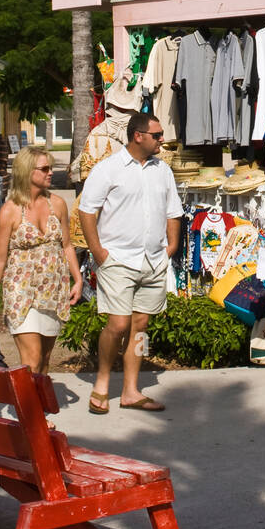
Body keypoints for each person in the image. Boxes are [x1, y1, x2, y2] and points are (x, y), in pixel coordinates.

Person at [78, 111, 182, 414]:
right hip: (118, 259)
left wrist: (171, 245)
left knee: (142, 325)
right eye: (157, 135)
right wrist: (99, 252)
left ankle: (131, 391)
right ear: (138, 136)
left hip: (153, 259)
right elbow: (87, 210)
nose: (162, 140)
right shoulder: (108, 169)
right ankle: (102, 383)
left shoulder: (162, 170)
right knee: (118, 323)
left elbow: (173, 210)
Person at [0, 146, 82, 374]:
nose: (50, 172)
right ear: (27, 172)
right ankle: (28, 408)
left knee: (45, 361)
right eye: (45, 168)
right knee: (32, 360)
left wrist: (77, 279)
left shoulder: (57, 204)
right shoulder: (9, 211)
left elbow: (67, 245)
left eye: (50, 168)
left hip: (53, 290)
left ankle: (36, 405)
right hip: (22, 292)